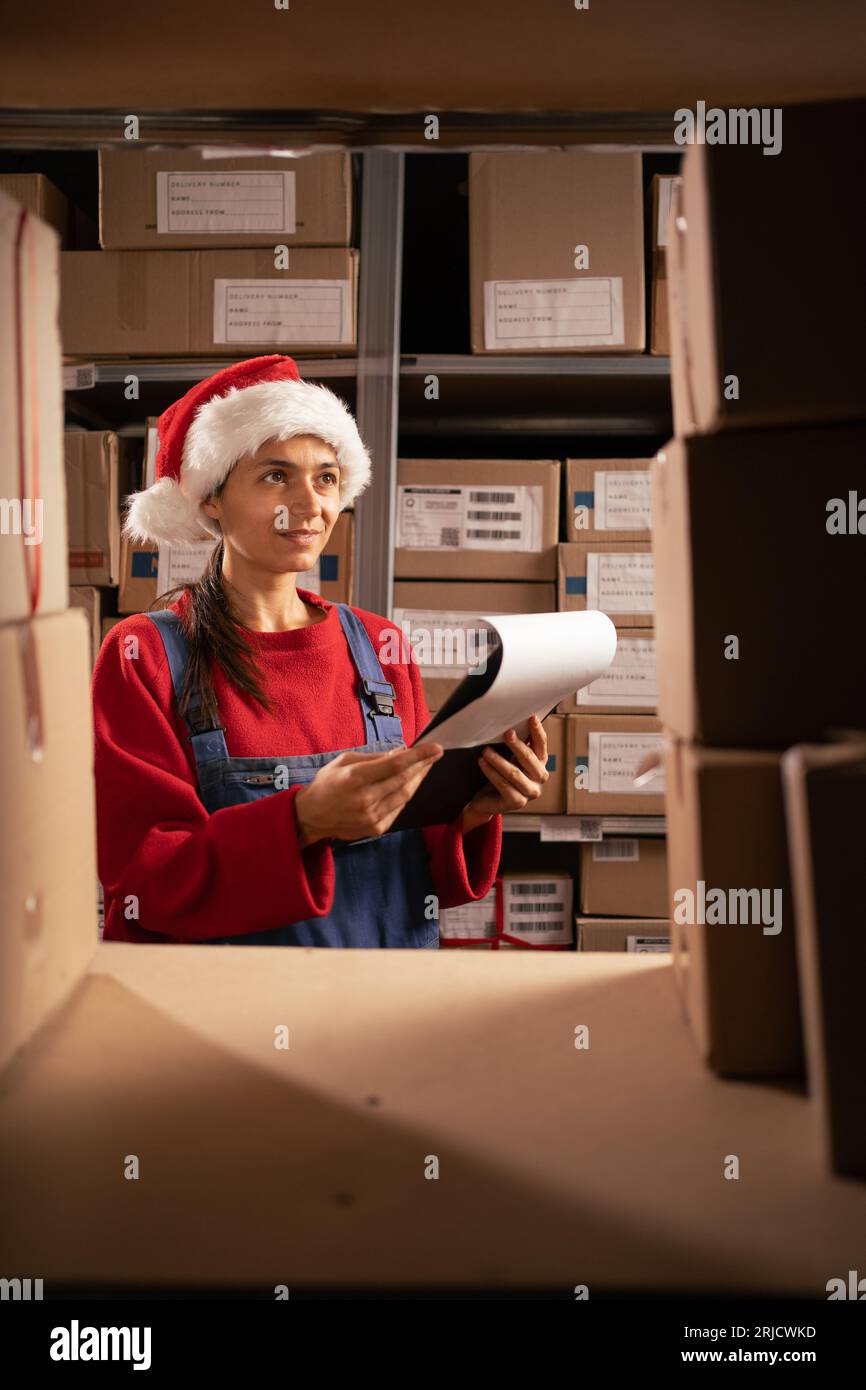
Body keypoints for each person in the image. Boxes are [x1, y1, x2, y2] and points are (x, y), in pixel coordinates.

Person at [92, 354, 549, 947]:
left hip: (379, 1010)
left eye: (326, 477)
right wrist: (301, 823)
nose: (310, 505)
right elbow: (141, 883)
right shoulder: (145, 655)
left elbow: (414, 871)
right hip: (226, 1018)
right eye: (276, 476)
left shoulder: (381, 648)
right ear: (211, 499)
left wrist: (471, 811)